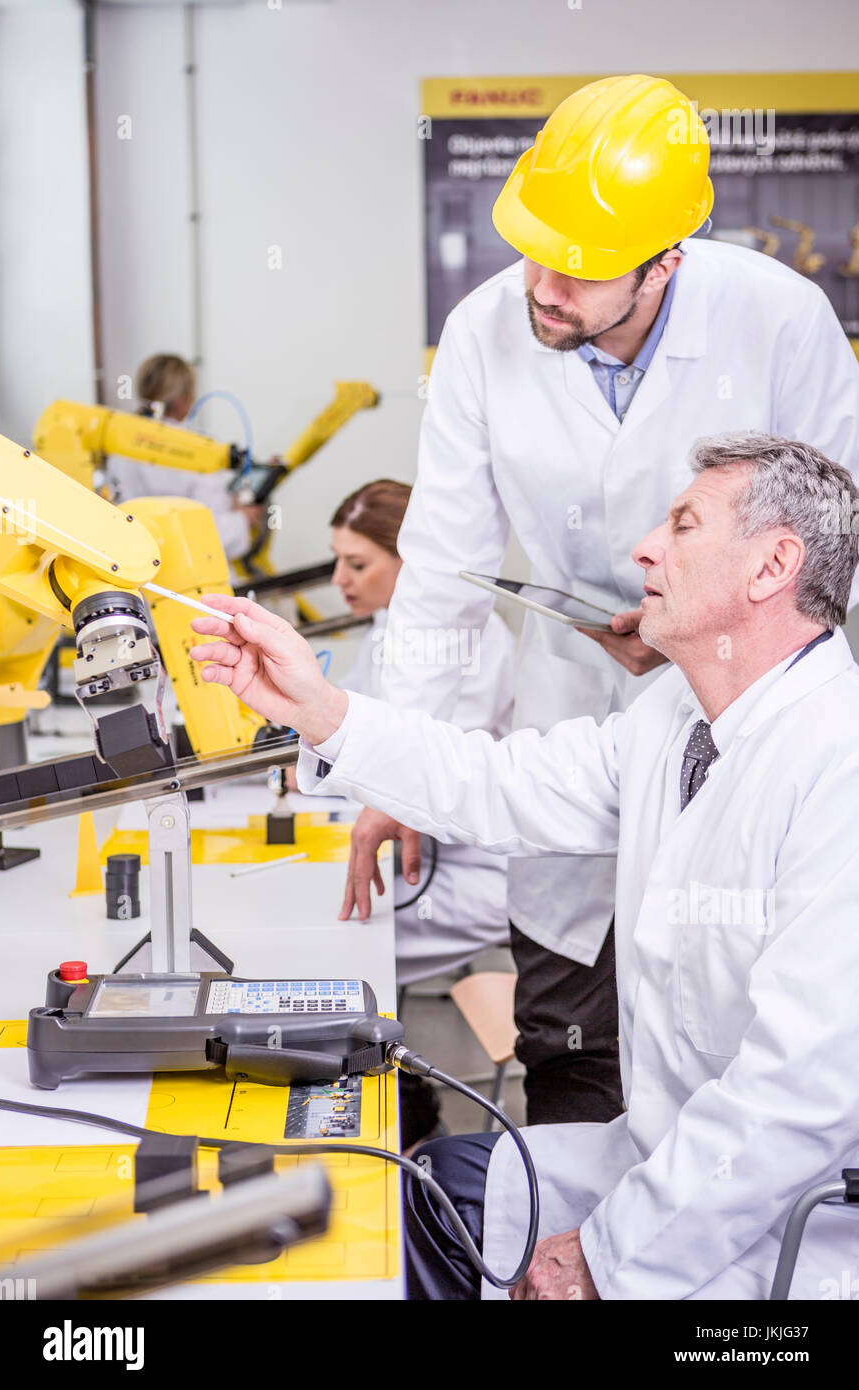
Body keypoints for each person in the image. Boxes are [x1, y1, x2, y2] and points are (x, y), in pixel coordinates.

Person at [190, 431, 859, 1301]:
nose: (644, 548)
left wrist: (604, 1258)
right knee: (414, 1189)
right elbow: (497, 782)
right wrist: (322, 712)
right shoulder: (675, 720)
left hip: (785, 1227)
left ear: (772, 565)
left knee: (419, 1223)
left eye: (683, 525)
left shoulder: (836, 763)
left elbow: (794, 1099)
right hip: (662, 1164)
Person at [337, 74, 859, 1128]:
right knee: (569, 1051)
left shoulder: (779, 320)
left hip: (745, 739)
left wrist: (694, 652)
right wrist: (401, 765)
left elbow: (829, 554)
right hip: (574, 713)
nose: (542, 286)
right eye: (533, 248)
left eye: (578, 270)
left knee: (751, 1061)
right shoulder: (485, 330)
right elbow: (438, 568)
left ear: (666, 258)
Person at [323, 479, 516, 984]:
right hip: (416, 856)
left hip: (472, 873)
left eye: (358, 564)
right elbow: (350, 724)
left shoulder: (479, 640)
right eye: (338, 560)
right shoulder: (387, 628)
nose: (339, 579)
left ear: (409, 560)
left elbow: (430, 773)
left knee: (331, 942)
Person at [106, 353, 262, 561]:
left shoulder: (119, 445)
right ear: (182, 400)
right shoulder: (199, 449)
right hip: (188, 575)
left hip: (136, 570)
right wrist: (243, 519)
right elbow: (211, 535)